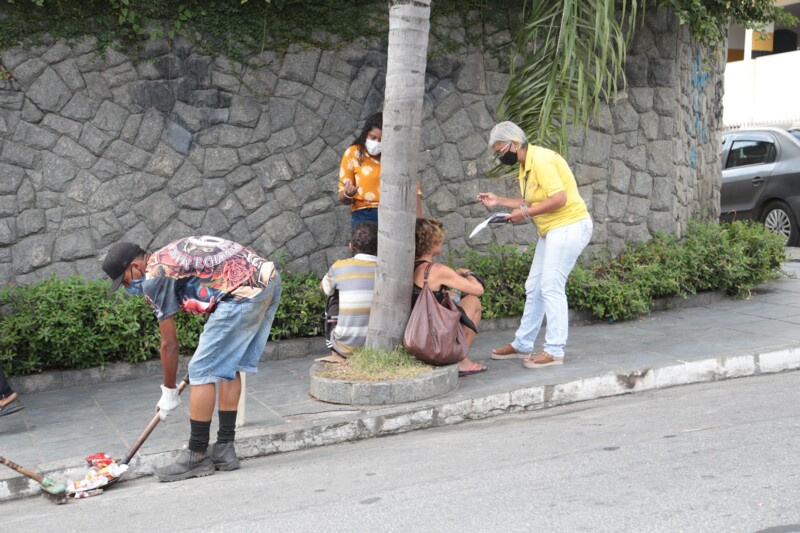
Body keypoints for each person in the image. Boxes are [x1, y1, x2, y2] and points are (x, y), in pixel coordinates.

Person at [101, 236, 281, 482]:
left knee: (201, 371)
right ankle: (224, 449)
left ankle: (196, 455)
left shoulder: (155, 276)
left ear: (135, 266)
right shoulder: (167, 255)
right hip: (267, 279)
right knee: (228, 365)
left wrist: (168, 391)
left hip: (243, 292)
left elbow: (169, 344)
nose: (127, 287)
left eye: (125, 281)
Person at [477, 120, 592, 369]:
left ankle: (554, 351)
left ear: (514, 143)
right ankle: (523, 344)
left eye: (500, 151)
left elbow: (559, 199)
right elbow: (530, 202)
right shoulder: (526, 165)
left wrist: (525, 214)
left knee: (551, 285)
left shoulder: (541, 160)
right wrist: (499, 201)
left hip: (569, 225)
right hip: (552, 229)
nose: (499, 157)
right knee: (534, 286)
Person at [413, 217, 487, 376]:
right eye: (439, 239)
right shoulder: (437, 270)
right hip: (434, 342)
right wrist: (467, 272)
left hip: (415, 337)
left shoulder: (408, 266)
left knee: (454, 299)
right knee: (473, 301)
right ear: (431, 243)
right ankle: (461, 361)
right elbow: (478, 290)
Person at [338, 111, 423, 228]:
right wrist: (348, 194)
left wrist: (420, 225)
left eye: (381, 140)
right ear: (365, 134)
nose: (376, 143)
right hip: (364, 216)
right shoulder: (353, 153)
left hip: (395, 214)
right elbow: (342, 197)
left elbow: (414, 191)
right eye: (373, 138)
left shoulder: (397, 156)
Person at [318, 222, 379, 363]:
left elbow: (324, 288)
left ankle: (335, 352)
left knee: (333, 296)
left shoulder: (339, 266)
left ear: (351, 245)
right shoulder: (384, 268)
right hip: (378, 345)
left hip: (345, 347)